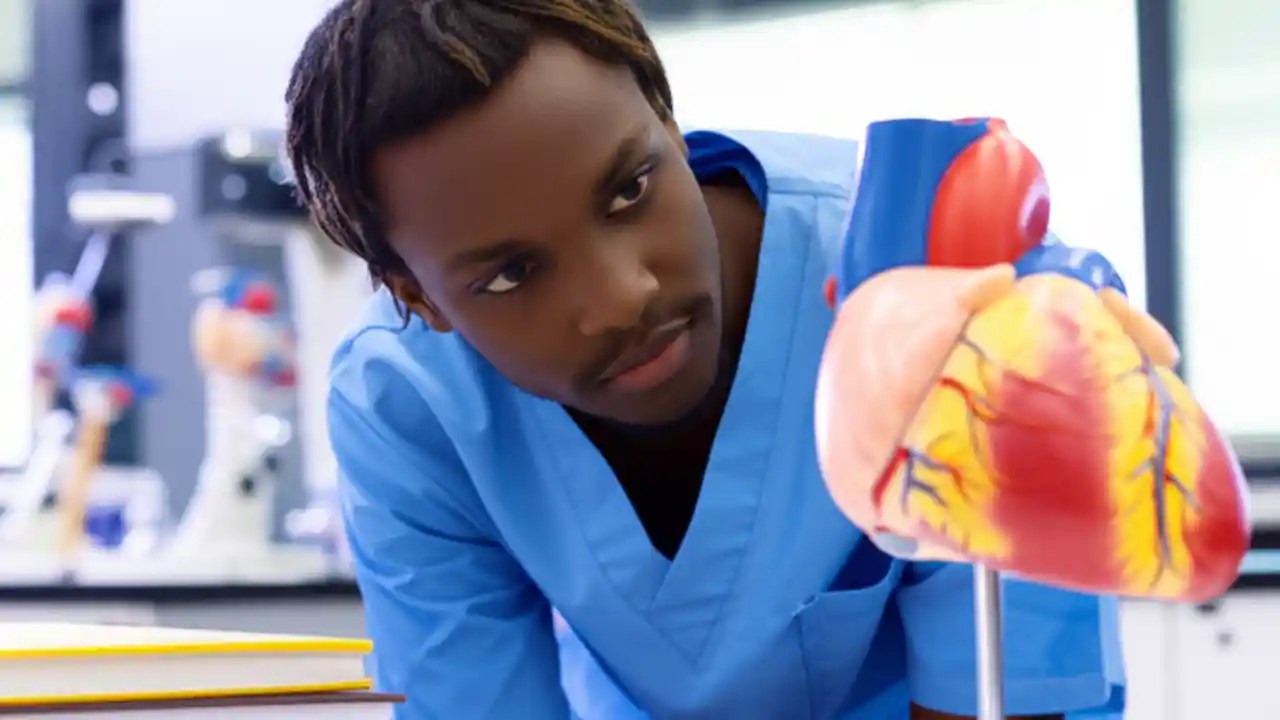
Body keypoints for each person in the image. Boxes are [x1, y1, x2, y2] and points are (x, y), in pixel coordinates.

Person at [284, 1, 1126, 718]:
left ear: (667, 118)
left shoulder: (950, 282)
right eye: (510, 274)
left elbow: (1008, 692)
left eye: (628, 191)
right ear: (416, 296)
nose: (621, 297)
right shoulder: (404, 403)